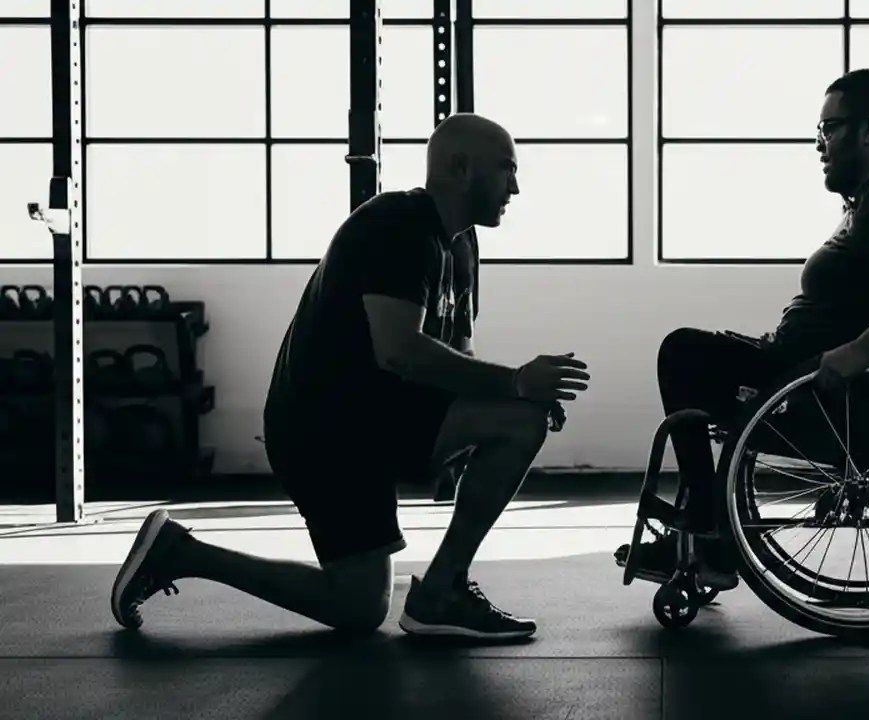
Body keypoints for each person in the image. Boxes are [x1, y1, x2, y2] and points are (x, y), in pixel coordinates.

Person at [109, 113, 590, 641]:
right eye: (506, 170)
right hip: (324, 433)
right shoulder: (397, 225)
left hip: (376, 423)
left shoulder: (462, 246)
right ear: (460, 167)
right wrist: (516, 384)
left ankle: (438, 591)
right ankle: (186, 555)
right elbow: (399, 351)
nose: (515, 188)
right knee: (362, 604)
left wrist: (488, 419)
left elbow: (459, 351)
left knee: (360, 606)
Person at [617, 69, 869, 589]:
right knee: (697, 366)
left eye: (829, 129)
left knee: (684, 354)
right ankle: (707, 527)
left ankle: (709, 531)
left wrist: (858, 352)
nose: (820, 145)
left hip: (823, 394)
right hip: (797, 376)